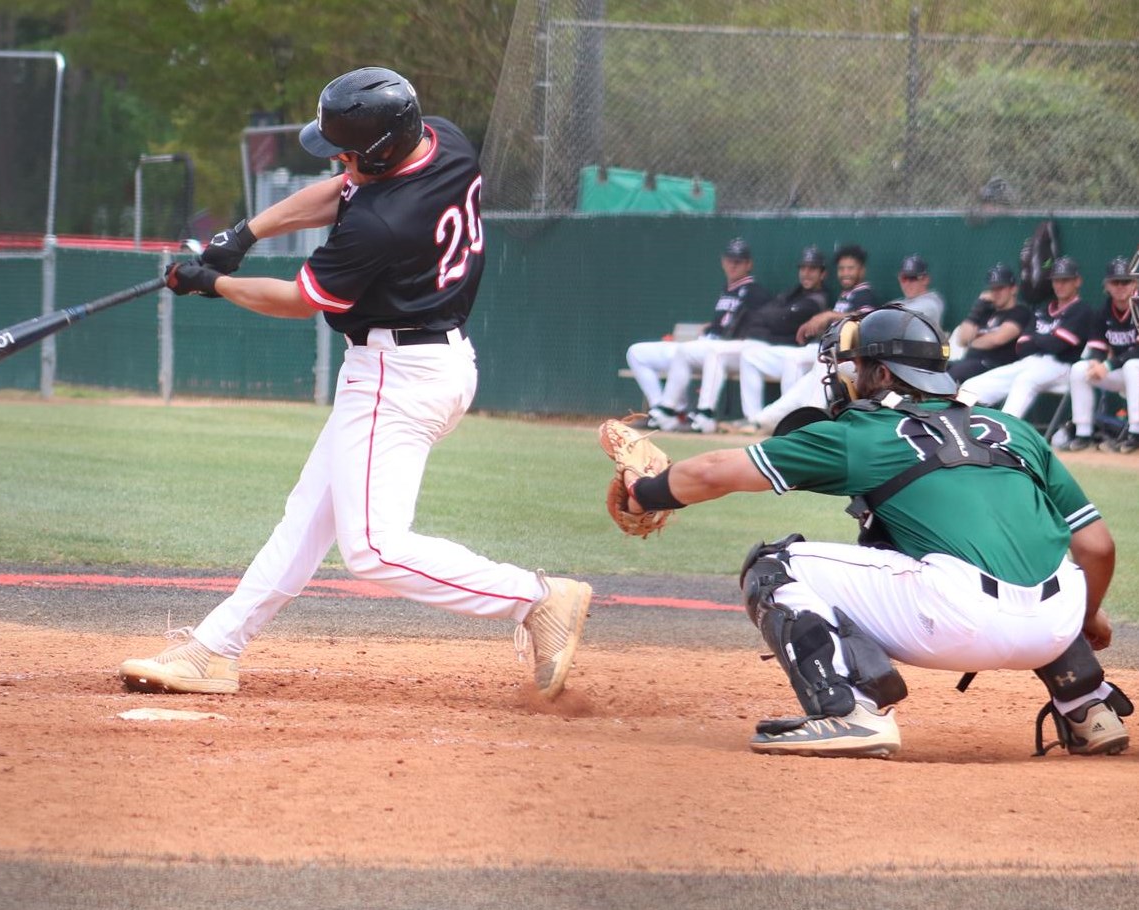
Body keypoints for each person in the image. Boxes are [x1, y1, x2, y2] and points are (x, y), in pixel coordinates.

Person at [119, 66, 591, 699]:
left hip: (396, 376)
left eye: (347, 150)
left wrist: (214, 283)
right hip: (428, 362)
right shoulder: (442, 139)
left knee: (372, 548)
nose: (339, 160)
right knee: (307, 520)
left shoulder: (382, 225)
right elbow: (342, 187)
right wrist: (244, 234)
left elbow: (295, 299)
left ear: (382, 148)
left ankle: (535, 599)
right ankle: (213, 649)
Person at [616, 306, 1126, 758]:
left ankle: (849, 712)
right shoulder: (1013, 429)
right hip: (1055, 626)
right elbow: (1096, 546)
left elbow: (713, 471)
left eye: (856, 366)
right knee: (1034, 556)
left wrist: (644, 492)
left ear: (881, 372)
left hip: (956, 622)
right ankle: (1087, 707)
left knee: (774, 566)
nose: (848, 376)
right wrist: (1084, 617)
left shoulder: (862, 434)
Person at [625, 239, 769, 431]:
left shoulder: (755, 292)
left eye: (739, 261)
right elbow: (726, 322)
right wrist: (712, 326)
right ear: (723, 261)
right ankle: (660, 407)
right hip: (703, 346)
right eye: (730, 259)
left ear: (748, 264)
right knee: (636, 353)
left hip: (725, 350)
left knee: (686, 350)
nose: (733, 264)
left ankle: (673, 412)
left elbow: (752, 328)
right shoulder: (727, 289)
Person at [750, 244, 879, 432]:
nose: (845, 273)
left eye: (850, 268)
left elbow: (867, 318)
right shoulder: (846, 295)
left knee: (817, 364)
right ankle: (764, 421)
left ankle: (810, 424)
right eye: (842, 269)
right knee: (802, 387)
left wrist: (828, 315)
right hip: (830, 354)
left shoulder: (864, 293)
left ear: (862, 270)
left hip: (850, 360)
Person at [959, 256, 1100, 419]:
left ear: (1077, 281)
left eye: (1065, 280)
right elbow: (1023, 346)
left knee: (1025, 380)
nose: (1060, 285)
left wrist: (1038, 339)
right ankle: (963, 429)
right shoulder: (1044, 309)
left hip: (1064, 366)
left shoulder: (1082, 310)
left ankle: (1006, 432)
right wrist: (1047, 338)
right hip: (1032, 362)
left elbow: (1058, 346)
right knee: (971, 386)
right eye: (1056, 280)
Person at [735, 245, 831, 428]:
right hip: (788, 351)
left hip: (806, 355)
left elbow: (782, 319)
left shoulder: (819, 300)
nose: (806, 273)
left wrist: (768, 324)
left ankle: (791, 423)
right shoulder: (793, 293)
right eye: (803, 268)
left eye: (812, 268)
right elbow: (765, 315)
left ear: (823, 273)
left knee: (793, 360)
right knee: (749, 356)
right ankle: (754, 420)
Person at [1061, 257, 1139, 453]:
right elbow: (1097, 346)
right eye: (1115, 282)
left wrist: (1108, 365)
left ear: (1135, 284)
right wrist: (1096, 362)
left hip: (1133, 370)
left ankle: (1136, 433)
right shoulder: (1103, 312)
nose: (1120, 286)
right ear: (1107, 285)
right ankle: (1083, 433)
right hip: (1122, 373)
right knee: (1080, 369)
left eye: (1126, 281)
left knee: (1133, 365)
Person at [947, 263, 1032, 384]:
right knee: (935, 373)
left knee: (950, 378)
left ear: (1013, 289)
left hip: (994, 366)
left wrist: (972, 341)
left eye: (1001, 288)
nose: (996, 293)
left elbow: (997, 339)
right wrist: (976, 310)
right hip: (970, 362)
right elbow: (962, 340)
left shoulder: (1020, 312)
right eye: (993, 288)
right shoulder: (986, 311)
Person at [889, 254, 947, 337]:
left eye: (913, 278)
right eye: (904, 278)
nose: (908, 284)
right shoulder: (900, 302)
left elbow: (902, 317)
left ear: (926, 279)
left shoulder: (932, 303)